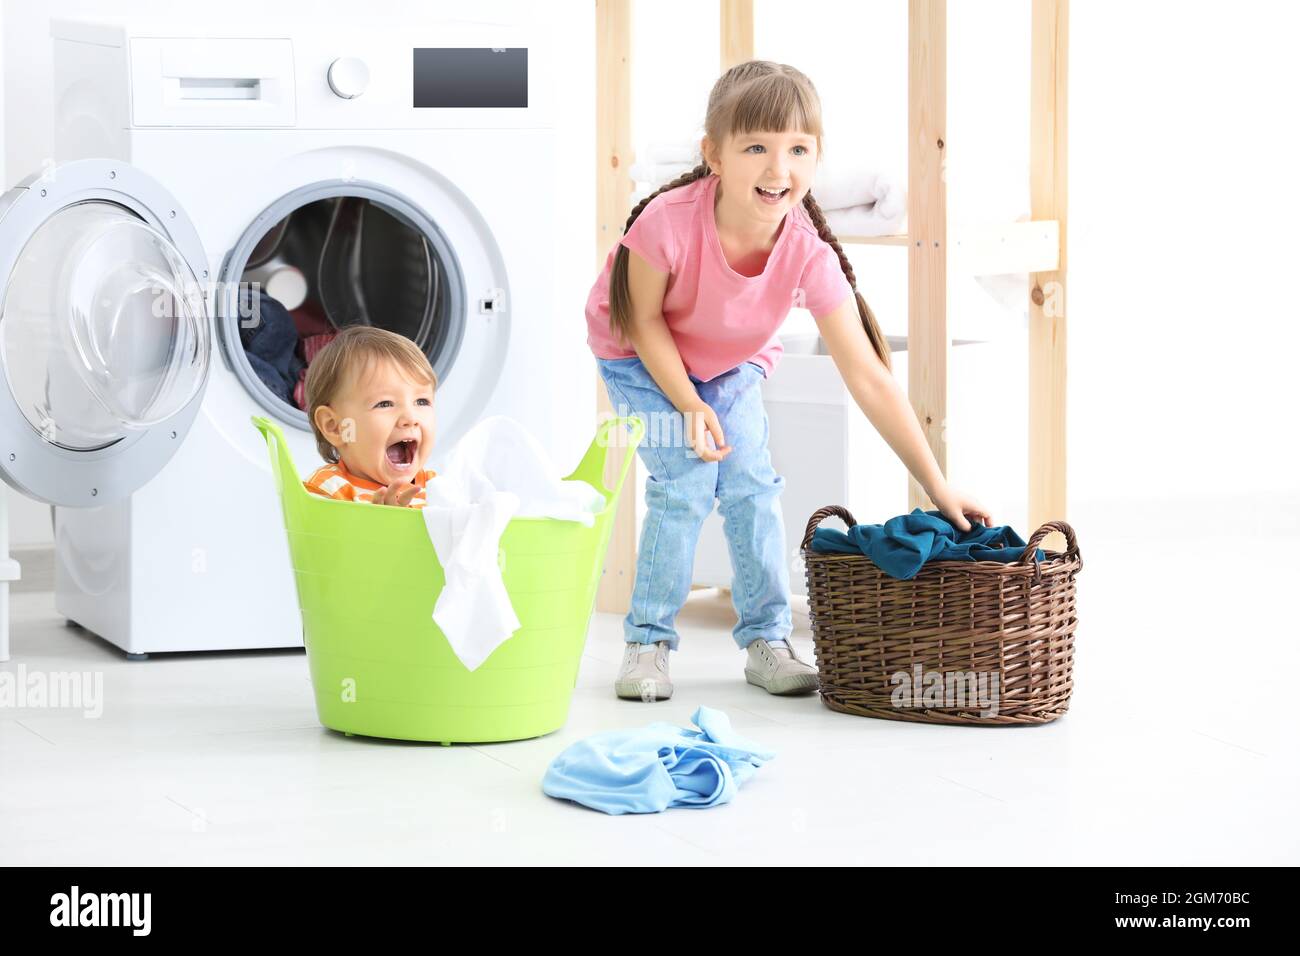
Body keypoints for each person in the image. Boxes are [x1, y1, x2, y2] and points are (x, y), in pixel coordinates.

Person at [585, 60, 991, 702]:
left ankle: (766, 640)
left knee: (750, 488)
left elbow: (869, 375)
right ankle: (647, 642)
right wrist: (688, 404)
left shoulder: (808, 251)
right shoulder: (665, 222)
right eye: (756, 147)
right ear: (713, 154)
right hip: (639, 352)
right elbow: (641, 322)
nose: (779, 170)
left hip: (727, 362)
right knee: (687, 480)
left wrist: (937, 487)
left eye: (797, 149)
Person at [302, 326, 439, 508]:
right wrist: (379, 525)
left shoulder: (435, 489)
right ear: (334, 426)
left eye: (421, 401)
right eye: (384, 404)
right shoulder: (327, 489)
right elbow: (312, 536)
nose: (410, 417)